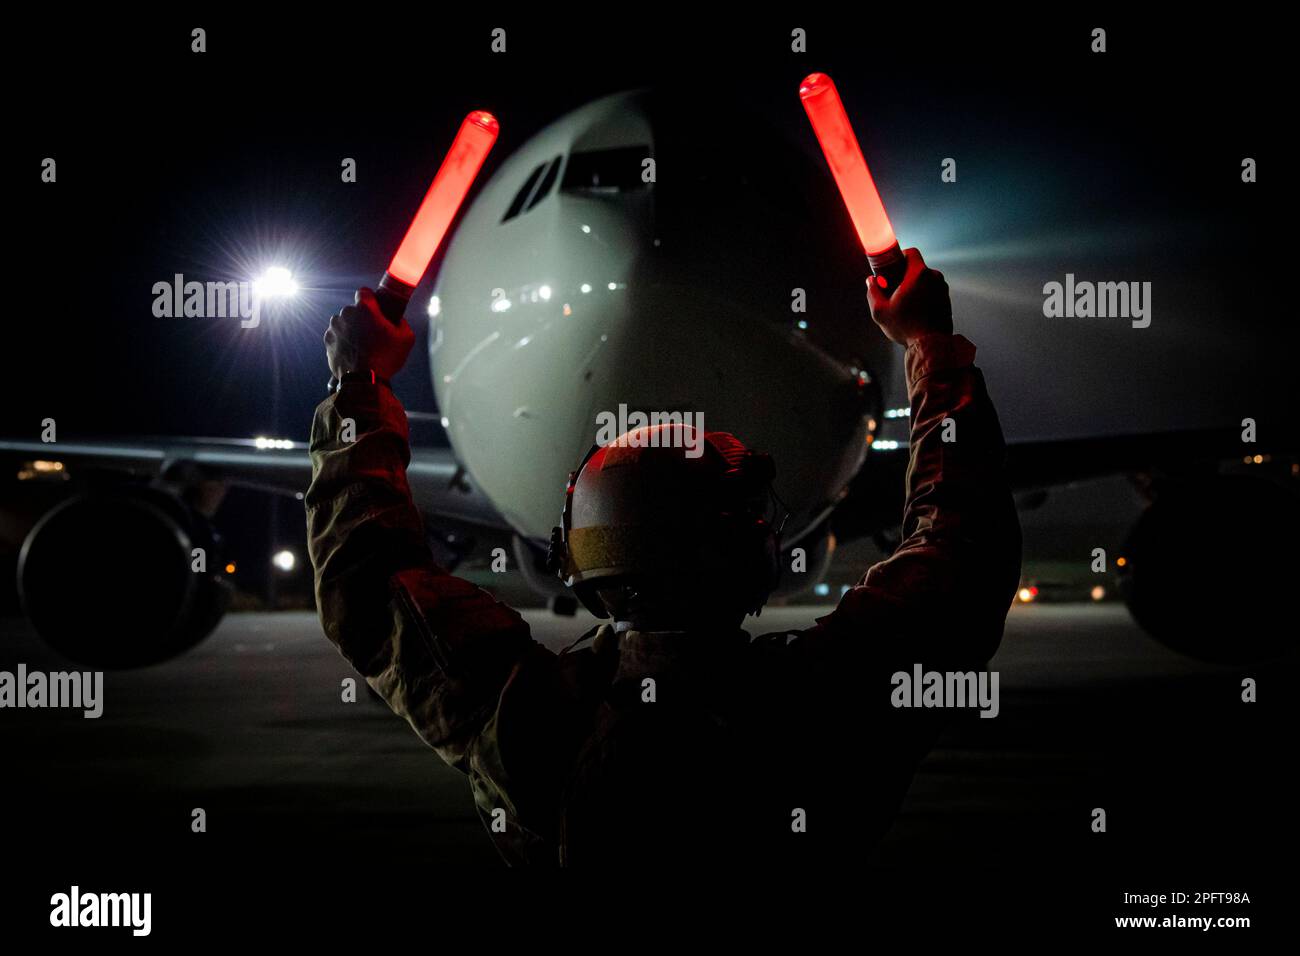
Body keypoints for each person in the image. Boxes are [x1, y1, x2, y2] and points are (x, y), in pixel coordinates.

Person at [306, 248, 1021, 866]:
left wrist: (358, 385)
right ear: (757, 550)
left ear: (580, 558)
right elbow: (962, 550)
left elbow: (368, 579)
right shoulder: (827, 702)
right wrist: (930, 341)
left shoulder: (522, 717)